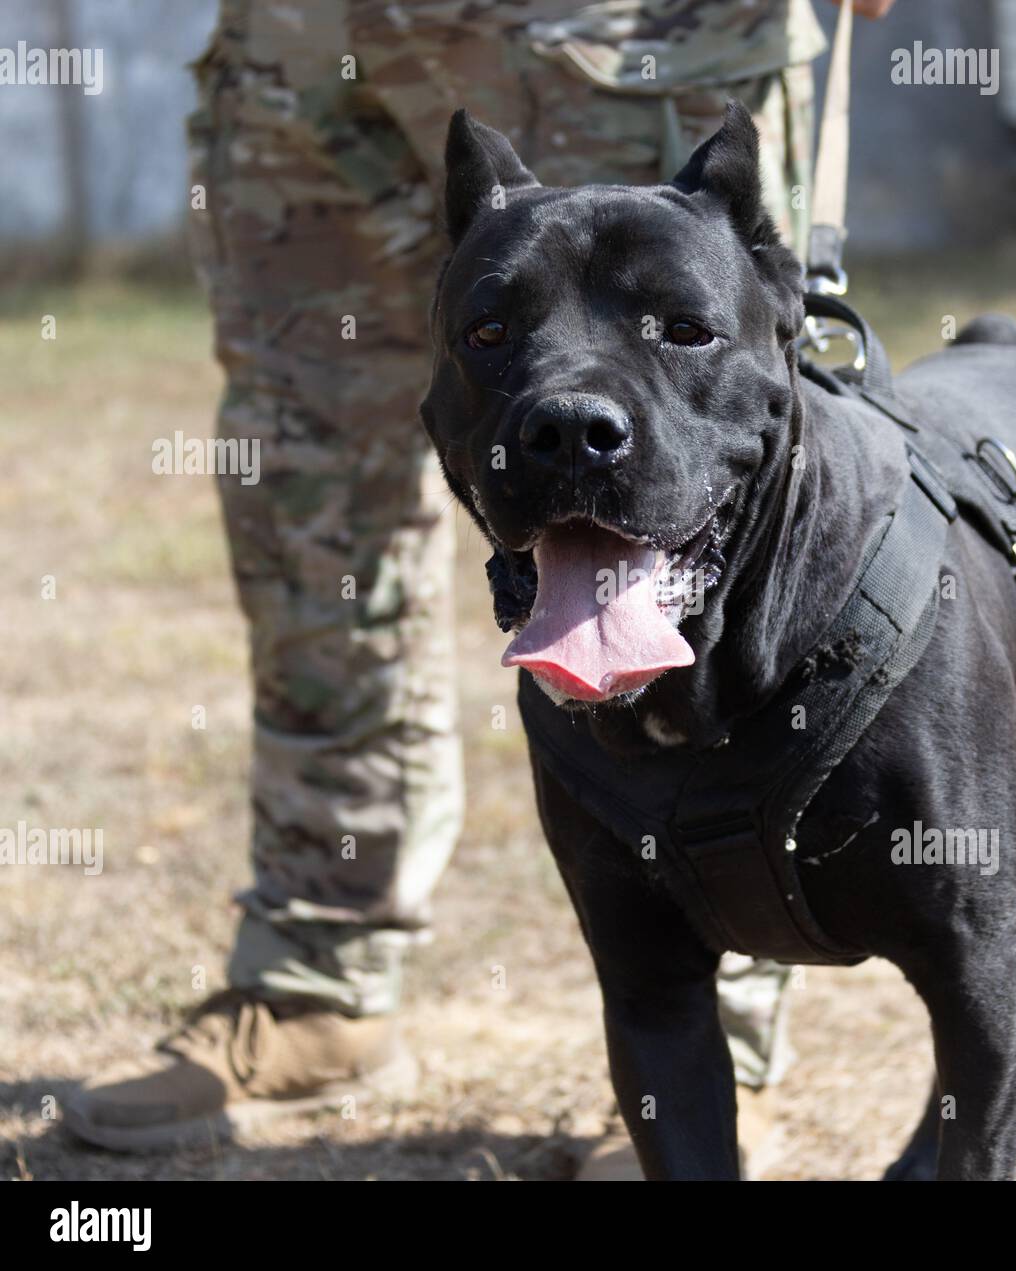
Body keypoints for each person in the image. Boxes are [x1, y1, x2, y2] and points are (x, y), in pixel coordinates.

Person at [64, 0, 896, 1175]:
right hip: (303, 36)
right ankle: (322, 979)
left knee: (674, 471)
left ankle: (713, 1060)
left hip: (610, 25)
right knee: (309, 496)